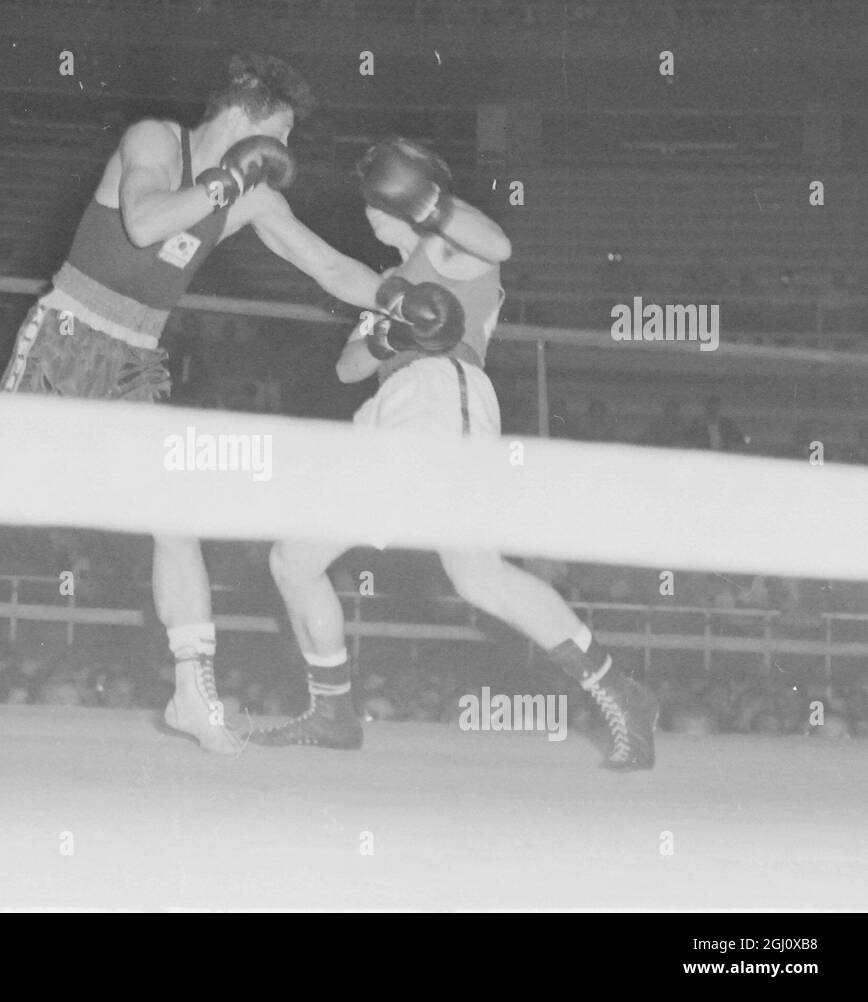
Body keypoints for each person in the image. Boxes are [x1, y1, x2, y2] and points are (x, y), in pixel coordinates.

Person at [0, 54, 384, 753]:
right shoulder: (157, 141)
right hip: (66, 338)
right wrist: (225, 181)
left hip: (136, 361)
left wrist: (404, 301)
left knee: (174, 519)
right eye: (280, 131)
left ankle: (193, 691)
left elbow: (331, 268)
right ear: (246, 113)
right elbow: (142, 221)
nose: (284, 151)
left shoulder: (250, 195)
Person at [248, 137, 658, 770]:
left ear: (408, 197)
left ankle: (619, 692)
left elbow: (499, 244)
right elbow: (348, 365)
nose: (369, 211)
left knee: (476, 575)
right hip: (388, 409)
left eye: (380, 200)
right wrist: (388, 333)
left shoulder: (449, 248)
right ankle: (332, 711)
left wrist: (428, 203)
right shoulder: (391, 282)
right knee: (297, 560)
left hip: (444, 396)